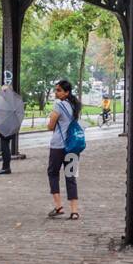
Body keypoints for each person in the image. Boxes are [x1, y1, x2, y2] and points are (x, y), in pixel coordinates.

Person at [46, 79, 81, 219]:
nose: (56, 92)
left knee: (53, 173)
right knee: (70, 176)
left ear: (66, 92)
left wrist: (51, 118)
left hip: (58, 147)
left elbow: (50, 126)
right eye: (56, 90)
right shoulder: (75, 106)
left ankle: (58, 206)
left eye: (59, 90)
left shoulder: (59, 106)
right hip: (73, 147)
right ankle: (74, 211)